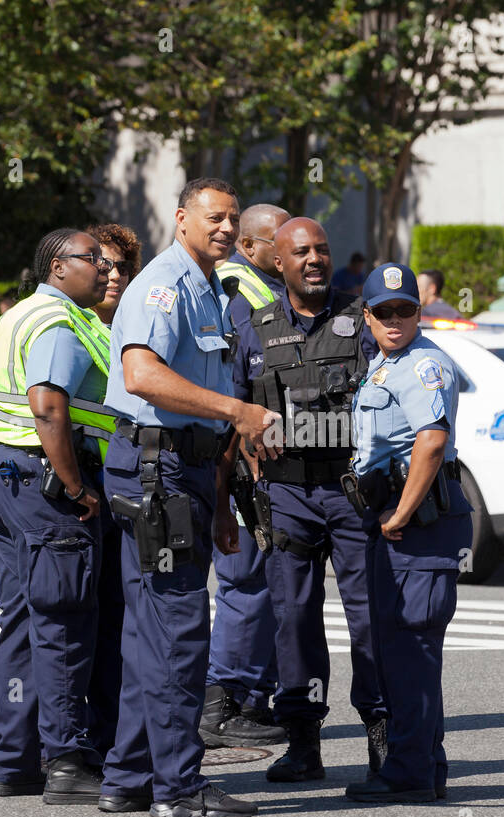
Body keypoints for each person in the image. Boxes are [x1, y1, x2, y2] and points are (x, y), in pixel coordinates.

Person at [99, 176, 279, 817]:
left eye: (233, 219)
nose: (227, 229)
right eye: (214, 218)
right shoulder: (163, 285)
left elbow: (199, 408)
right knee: (177, 631)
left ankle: (128, 776)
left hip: (185, 473)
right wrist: (238, 409)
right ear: (182, 219)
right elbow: (141, 374)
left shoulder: (209, 286)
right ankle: (178, 788)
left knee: (150, 629)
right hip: (159, 472)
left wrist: (225, 503)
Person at [227, 215, 388, 784]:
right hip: (287, 493)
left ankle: (382, 738)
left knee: (369, 615)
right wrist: (247, 468)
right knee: (293, 618)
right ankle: (302, 743)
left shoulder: (362, 321)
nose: (315, 259)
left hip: (350, 491)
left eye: (322, 249)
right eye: (302, 252)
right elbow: (235, 410)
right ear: (279, 262)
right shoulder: (255, 328)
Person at [0, 229, 118, 804]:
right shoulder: (57, 323)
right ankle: (65, 762)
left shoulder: (18, 315)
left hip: (1, 472)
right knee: (64, 619)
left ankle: (14, 761)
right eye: (93, 260)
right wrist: (77, 485)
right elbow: (48, 408)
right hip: (43, 480)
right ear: (59, 267)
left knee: (24, 619)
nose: (105, 269)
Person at [345, 263, 472, 803]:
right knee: (397, 651)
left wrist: (398, 514)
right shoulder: (384, 364)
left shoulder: (423, 366)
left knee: (412, 651)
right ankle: (418, 764)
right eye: (384, 311)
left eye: (406, 309)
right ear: (367, 316)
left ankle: (412, 772)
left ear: (420, 312)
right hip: (395, 524)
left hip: (415, 526)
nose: (395, 320)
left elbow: (432, 442)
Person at [200, 203, 291, 749]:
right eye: (276, 240)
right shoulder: (238, 295)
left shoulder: (254, 290)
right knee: (245, 581)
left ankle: (252, 697)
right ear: (251, 249)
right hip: (237, 460)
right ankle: (221, 701)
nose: (289, 249)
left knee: (263, 583)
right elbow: (239, 392)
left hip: (255, 456)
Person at [82, 220, 142, 759]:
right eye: (104, 264)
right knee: (83, 618)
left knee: (120, 615)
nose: (115, 275)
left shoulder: (134, 322)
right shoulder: (70, 323)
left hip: (124, 492)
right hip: (81, 494)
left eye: (123, 266)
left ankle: (112, 736)